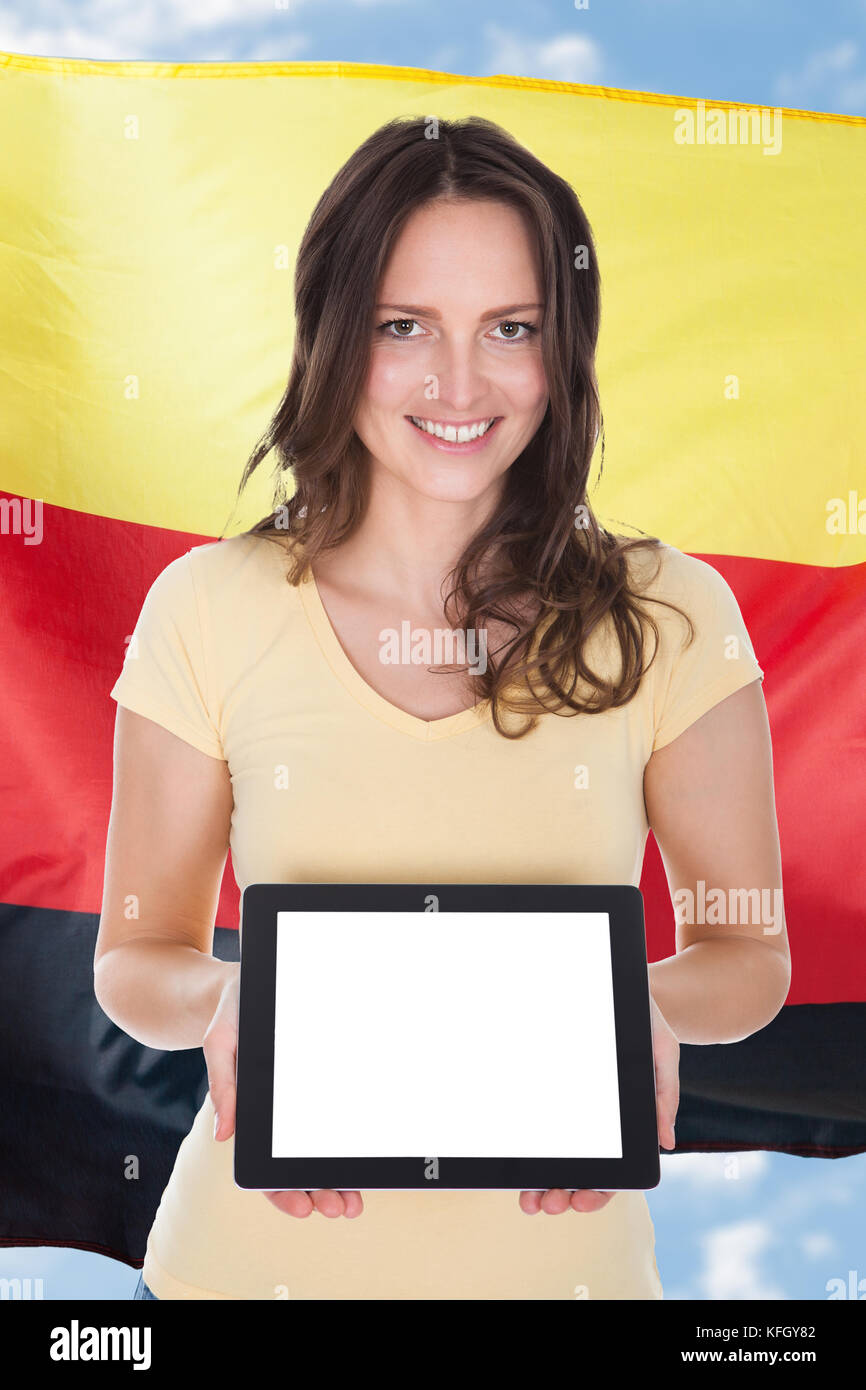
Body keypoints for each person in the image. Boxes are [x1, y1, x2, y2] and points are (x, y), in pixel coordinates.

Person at [97, 115, 790, 1300]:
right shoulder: (204, 607)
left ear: (559, 348)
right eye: (403, 326)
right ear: (331, 335)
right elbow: (134, 954)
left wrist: (634, 1007)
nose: (458, 384)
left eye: (509, 329)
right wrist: (230, 997)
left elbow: (747, 952)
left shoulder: (671, 612)